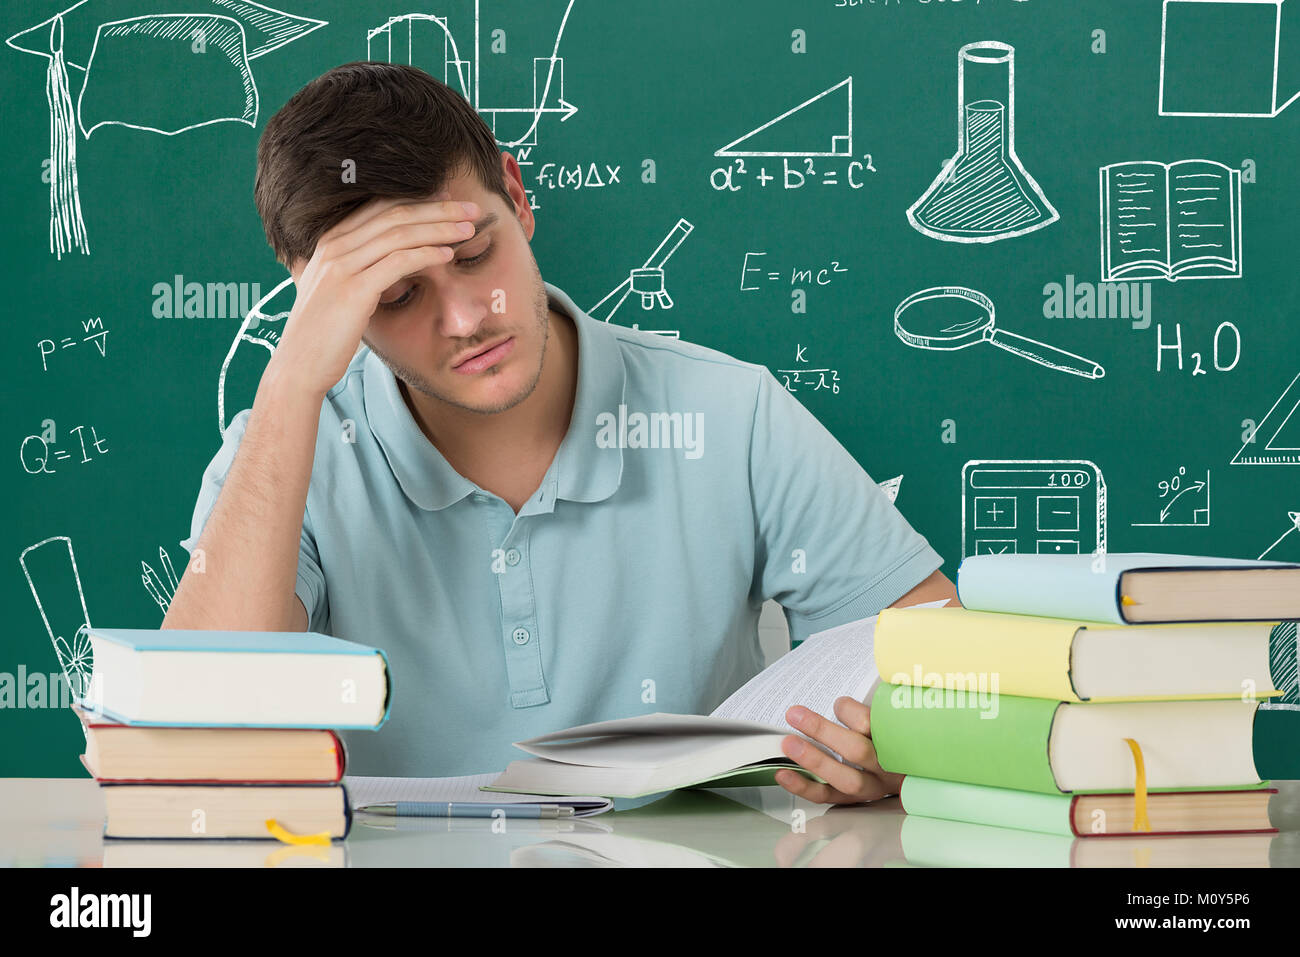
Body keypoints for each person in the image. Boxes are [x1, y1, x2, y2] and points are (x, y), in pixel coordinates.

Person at [165, 61, 961, 804]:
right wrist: (293, 382)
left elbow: (935, 649)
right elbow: (198, 737)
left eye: (474, 255)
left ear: (516, 194)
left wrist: (894, 749)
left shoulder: (729, 411)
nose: (469, 320)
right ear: (318, 300)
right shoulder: (277, 456)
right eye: (397, 296)